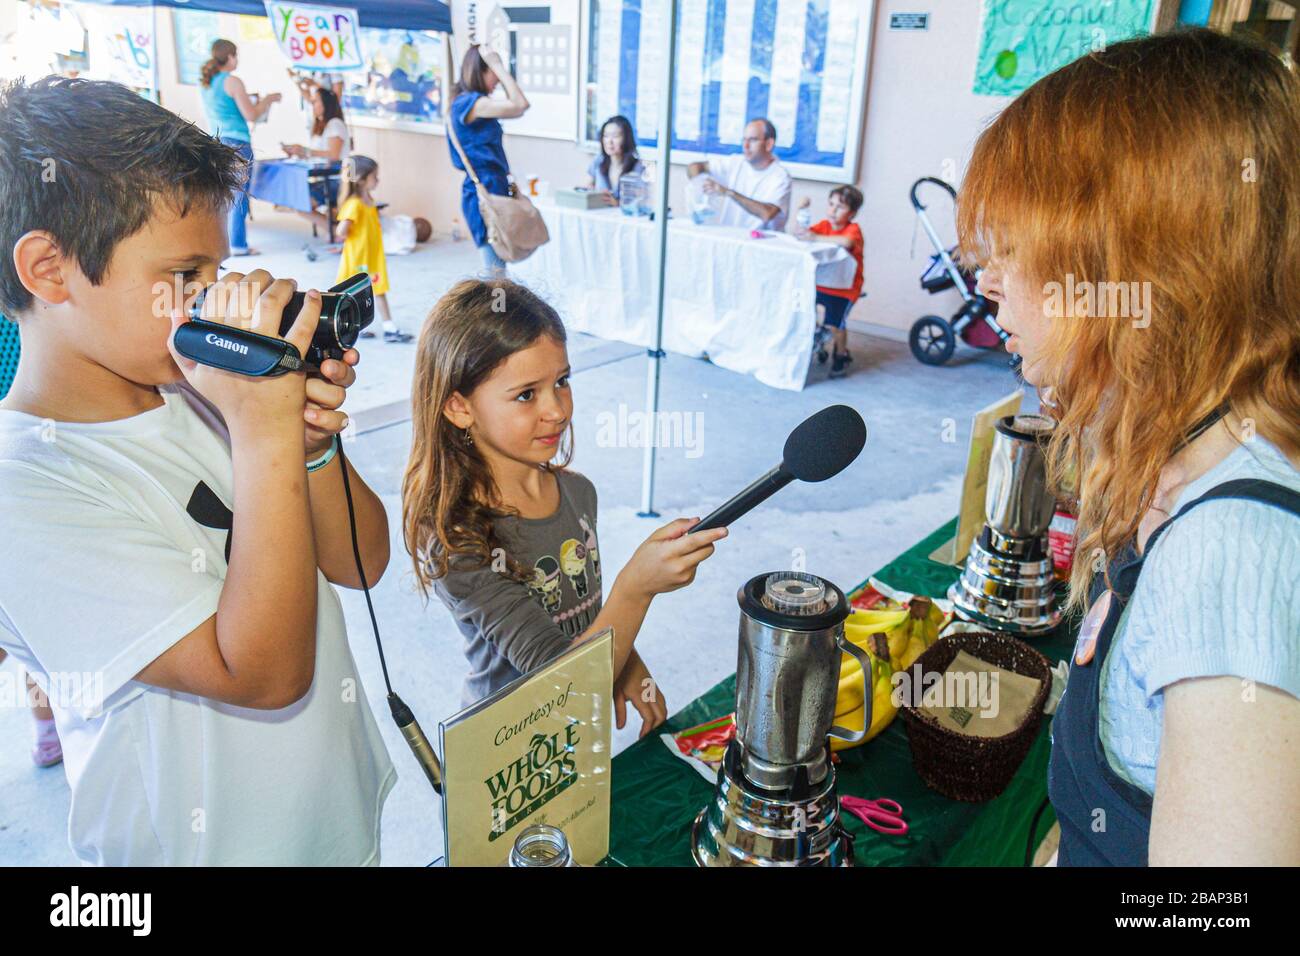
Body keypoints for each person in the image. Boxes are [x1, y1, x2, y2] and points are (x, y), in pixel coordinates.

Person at [0, 77, 396, 865]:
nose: (209, 299)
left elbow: (362, 560)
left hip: (330, 818)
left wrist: (309, 440)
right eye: (185, 277)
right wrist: (265, 435)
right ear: (49, 270)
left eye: (216, 270)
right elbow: (262, 674)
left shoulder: (209, 391)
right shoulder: (26, 488)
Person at [958, 29, 1299, 866]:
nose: (988, 281)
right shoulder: (1193, 470)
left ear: (1128, 262)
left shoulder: (1230, 552)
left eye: (1015, 246)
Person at [401, 279, 728, 732]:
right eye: (526, 394)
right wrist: (635, 590)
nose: (557, 409)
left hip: (576, 733)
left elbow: (582, 612)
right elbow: (560, 684)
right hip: (504, 756)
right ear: (459, 408)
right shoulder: (459, 544)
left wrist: (624, 657)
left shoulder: (577, 492)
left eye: (562, 381)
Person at [447, 44, 529, 277]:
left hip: (492, 188)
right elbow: (520, 104)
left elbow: (519, 107)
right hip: (484, 192)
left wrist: (496, 68)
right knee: (495, 274)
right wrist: (498, 66)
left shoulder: (474, 103)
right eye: (492, 71)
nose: (497, 79)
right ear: (480, 70)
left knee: (497, 269)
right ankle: (494, 313)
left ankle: (496, 311)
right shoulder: (469, 103)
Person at [198, 39, 280, 257]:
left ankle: (226, 241)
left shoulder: (207, 82)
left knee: (226, 194)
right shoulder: (233, 82)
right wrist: (269, 100)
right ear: (231, 57)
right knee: (239, 195)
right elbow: (251, 114)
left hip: (218, 140)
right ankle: (238, 244)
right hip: (238, 142)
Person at [336, 155, 412, 343]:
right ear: (361, 179)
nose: (377, 180)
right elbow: (341, 230)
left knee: (377, 289)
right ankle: (385, 328)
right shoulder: (354, 204)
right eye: (374, 176)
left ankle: (383, 327)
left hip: (372, 256)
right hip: (359, 259)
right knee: (361, 292)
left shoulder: (368, 199)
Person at [795, 186, 865, 378]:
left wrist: (816, 237)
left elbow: (847, 242)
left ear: (852, 213)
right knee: (805, 312)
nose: (833, 210)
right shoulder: (823, 225)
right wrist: (801, 211)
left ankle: (841, 355)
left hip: (844, 289)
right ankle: (818, 338)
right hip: (821, 284)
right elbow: (801, 234)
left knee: (836, 324)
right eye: (831, 204)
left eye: (840, 207)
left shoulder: (853, 230)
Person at [686, 118, 791, 231]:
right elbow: (694, 167)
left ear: (769, 144)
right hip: (732, 239)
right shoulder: (735, 162)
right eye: (744, 140)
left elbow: (767, 214)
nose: (745, 146)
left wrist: (728, 192)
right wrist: (701, 184)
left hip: (762, 242)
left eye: (752, 140)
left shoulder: (780, 177)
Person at [282, 86, 350, 236]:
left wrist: (306, 151)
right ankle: (335, 230)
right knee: (297, 197)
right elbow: (318, 155)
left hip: (337, 179)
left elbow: (333, 155)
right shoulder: (320, 126)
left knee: (300, 202)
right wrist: (299, 153)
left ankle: (334, 231)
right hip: (323, 177)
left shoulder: (335, 124)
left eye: (315, 102)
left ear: (326, 103)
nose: (313, 105)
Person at [582, 115, 646, 206]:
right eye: (606, 136)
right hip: (599, 214)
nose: (609, 141)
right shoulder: (599, 160)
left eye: (615, 136)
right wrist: (590, 192)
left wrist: (617, 203)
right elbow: (587, 187)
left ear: (626, 139)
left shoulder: (637, 166)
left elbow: (641, 202)